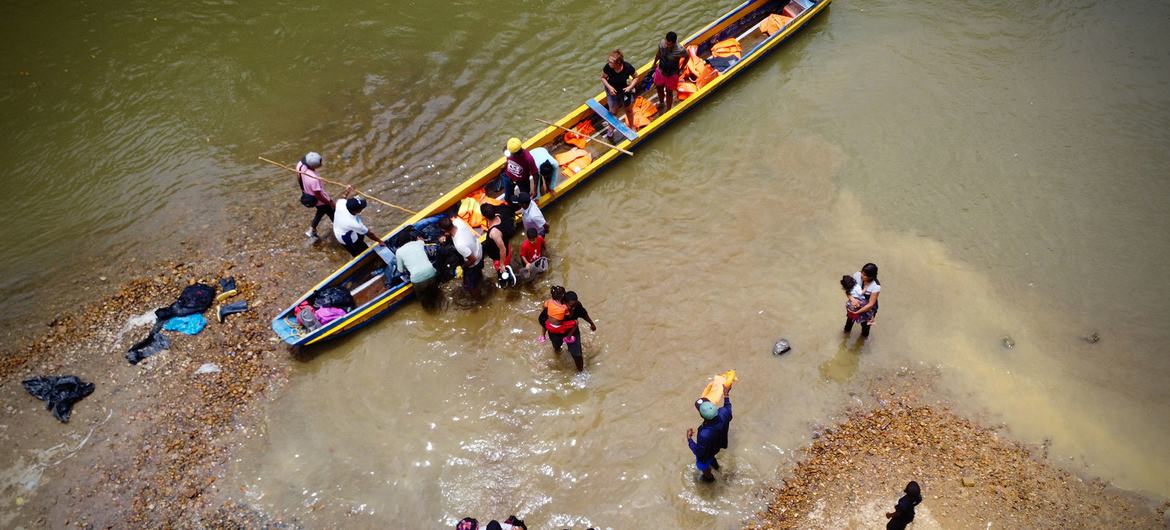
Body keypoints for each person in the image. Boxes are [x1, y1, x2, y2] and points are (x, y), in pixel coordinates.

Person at [538, 288, 596, 372]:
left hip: (571, 331)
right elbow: (543, 319)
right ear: (564, 302)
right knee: (557, 347)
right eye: (571, 306)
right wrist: (546, 331)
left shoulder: (577, 306)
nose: (573, 308)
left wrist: (592, 324)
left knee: (577, 354)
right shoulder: (555, 309)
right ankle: (558, 356)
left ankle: (581, 372)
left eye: (575, 305)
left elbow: (584, 314)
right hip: (555, 333)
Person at [686, 381, 733, 483]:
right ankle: (717, 468)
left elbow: (699, 452)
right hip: (717, 445)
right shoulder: (723, 413)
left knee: (703, 464)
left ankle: (709, 479)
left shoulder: (704, 434)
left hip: (707, 452)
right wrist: (726, 395)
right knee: (712, 456)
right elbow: (728, 407)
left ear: (702, 416)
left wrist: (689, 439)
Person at [332, 188, 385, 257]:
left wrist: (347, 192)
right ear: (356, 211)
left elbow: (343, 197)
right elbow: (370, 234)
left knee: (360, 235)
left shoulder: (341, 203)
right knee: (361, 250)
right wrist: (380, 241)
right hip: (345, 237)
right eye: (361, 208)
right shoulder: (355, 224)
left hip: (339, 227)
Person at [600, 49, 641, 139]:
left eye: (611, 62)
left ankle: (632, 126)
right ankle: (611, 127)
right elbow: (603, 78)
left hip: (625, 91)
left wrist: (630, 87)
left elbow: (636, 77)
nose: (608, 63)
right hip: (612, 92)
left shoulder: (627, 67)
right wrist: (610, 88)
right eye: (609, 61)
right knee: (613, 111)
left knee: (628, 110)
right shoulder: (608, 67)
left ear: (618, 63)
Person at [439, 216, 483, 297]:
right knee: (478, 275)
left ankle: (479, 299)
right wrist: (446, 236)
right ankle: (480, 280)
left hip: (475, 261)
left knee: (469, 286)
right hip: (479, 249)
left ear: (444, 230)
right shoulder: (459, 222)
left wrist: (463, 267)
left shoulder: (460, 244)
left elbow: (472, 259)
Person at [297, 151, 335, 239]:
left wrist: (304, 189)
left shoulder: (300, 165)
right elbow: (319, 196)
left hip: (307, 193)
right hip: (320, 200)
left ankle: (312, 230)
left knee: (321, 212)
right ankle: (341, 230)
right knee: (332, 213)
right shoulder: (313, 179)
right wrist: (329, 201)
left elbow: (299, 178)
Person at [481, 204, 516, 286]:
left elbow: (502, 249)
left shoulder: (494, 232)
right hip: (507, 246)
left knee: (502, 273)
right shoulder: (499, 216)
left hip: (500, 257)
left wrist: (502, 264)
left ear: (484, 216)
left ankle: (508, 280)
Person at [650, 32, 686, 112]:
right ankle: (662, 102)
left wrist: (682, 68)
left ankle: (668, 109)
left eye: (669, 44)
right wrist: (654, 63)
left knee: (669, 92)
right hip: (661, 70)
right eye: (666, 43)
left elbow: (687, 57)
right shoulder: (662, 44)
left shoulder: (680, 50)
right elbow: (659, 53)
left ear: (674, 43)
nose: (667, 45)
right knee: (659, 87)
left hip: (672, 74)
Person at [843, 263, 881, 337]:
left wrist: (857, 312)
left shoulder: (876, 286)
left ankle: (863, 342)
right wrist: (852, 299)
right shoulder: (857, 275)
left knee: (865, 328)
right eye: (862, 273)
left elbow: (870, 304)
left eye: (865, 275)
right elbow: (848, 290)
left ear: (872, 277)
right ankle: (845, 337)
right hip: (854, 305)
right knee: (848, 324)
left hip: (868, 309)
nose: (862, 276)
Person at [502, 138, 540, 206]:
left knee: (525, 197)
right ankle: (513, 208)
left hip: (522, 181)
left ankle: (524, 208)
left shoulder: (528, 159)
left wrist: (535, 189)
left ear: (516, 154)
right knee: (507, 198)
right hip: (508, 177)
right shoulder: (508, 151)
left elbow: (535, 173)